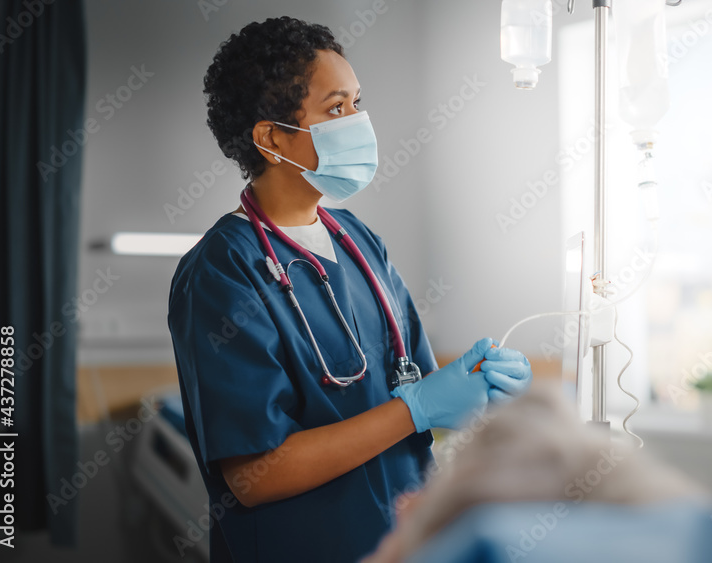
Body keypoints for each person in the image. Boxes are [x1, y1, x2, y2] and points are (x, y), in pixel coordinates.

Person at [167, 17, 532, 563]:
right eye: (337, 109)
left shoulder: (361, 242)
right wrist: (416, 409)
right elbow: (254, 474)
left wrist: (475, 390)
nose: (359, 122)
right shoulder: (223, 269)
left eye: (358, 103)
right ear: (270, 138)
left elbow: (414, 389)